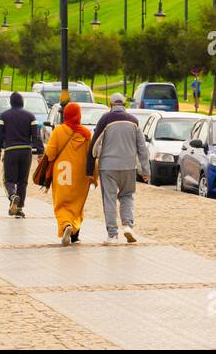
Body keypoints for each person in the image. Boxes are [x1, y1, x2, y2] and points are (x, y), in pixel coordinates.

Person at [89, 92, 150, 245]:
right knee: (127, 196)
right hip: (129, 167)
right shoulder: (134, 121)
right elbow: (142, 148)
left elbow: (94, 144)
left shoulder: (105, 119)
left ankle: (112, 235)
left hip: (108, 167)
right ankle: (128, 225)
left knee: (109, 199)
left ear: (111, 105)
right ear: (124, 105)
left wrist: (91, 163)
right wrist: (145, 171)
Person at [44, 101, 95, 245]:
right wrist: (94, 176)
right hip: (80, 177)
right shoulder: (86, 133)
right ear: (79, 115)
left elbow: (51, 153)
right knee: (77, 205)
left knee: (61, 205)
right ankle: (75, 234)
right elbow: (91, 156)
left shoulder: (59, 131)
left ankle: (66, 225)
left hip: (62, 174)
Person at [0, 91, 39, 218]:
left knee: (8, 179)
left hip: (10, 151)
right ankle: (19, 209)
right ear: (22, 102)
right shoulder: (31, 116)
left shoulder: (3, 116)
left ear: (11, 102)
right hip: (26, 151)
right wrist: (40, 152)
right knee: (22, 181)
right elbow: (36, 136)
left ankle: (13, 195)